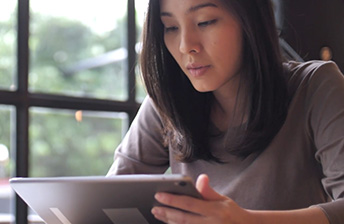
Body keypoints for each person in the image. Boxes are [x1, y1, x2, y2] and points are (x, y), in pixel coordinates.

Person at [107, 0, 344, 223]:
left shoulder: (316, 87)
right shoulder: (168, 103)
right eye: (170, 27)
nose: (185, 45)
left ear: (250, 20)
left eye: (205, 22)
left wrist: (247, 221)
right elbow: (105, 198)